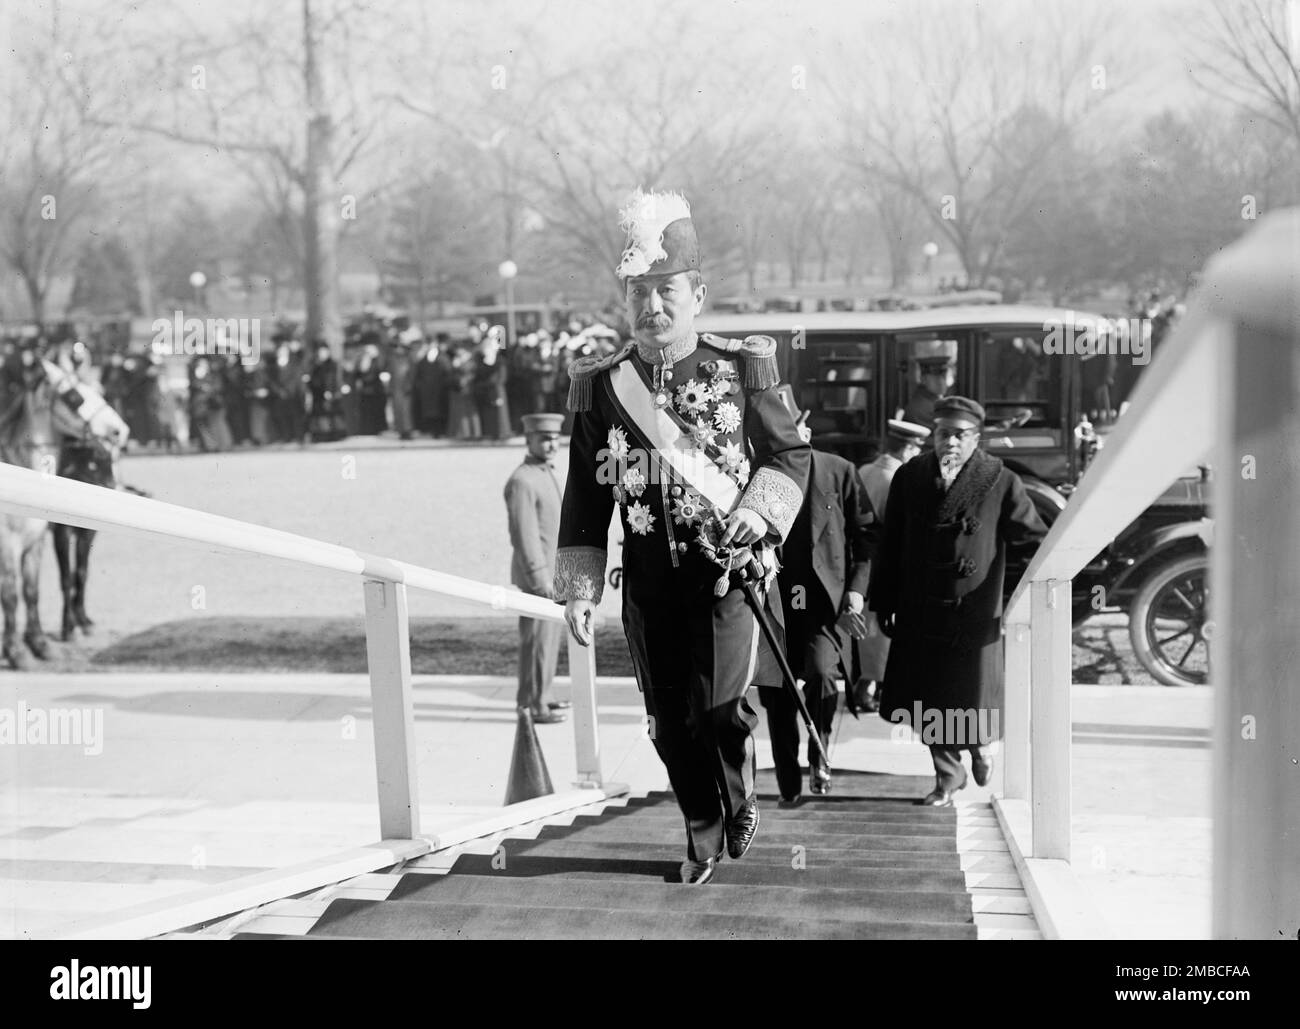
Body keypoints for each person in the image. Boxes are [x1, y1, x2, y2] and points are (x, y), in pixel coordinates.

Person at [554, 188, 810, 885]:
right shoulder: (599, 388)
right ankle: (701, 828)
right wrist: (580, 588)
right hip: (648, 586)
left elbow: (790, 456)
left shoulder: (741, 368)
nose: (651, 306)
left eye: (665, 290)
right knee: (670, 722)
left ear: (697, 293)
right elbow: (585, 493)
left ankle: (738, 796)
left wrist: (760, 511)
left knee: (722, 710)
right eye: (638, 292)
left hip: (726, 578)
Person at [868, 396, 1046, 806]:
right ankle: (947, 777)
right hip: (921, 608)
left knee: (973, 696)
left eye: (959, 435)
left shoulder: (1001, 480)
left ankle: (981, 747)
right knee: (928, 696)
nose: (950, 443)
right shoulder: (910, 476)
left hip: (974, 612)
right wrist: (885, 600)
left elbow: (1031, 541)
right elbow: (890, 542)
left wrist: (1007, 595)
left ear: (976, 438)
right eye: (943, 433)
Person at [758, 406, 871, 804]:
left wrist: (856, 592)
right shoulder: (759, 473)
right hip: (773, 605)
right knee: (777, 692)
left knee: (823, 674)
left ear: (805, 428)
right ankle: (788, 776)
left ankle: (819, 754)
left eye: (795, 428)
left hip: (824, 605)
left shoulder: (839, 471)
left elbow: (866, 539)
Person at [853, 418, 930, 713]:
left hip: (860, 560)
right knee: (882, 634)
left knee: (867, 629)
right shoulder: (899, 476)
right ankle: (870, 689)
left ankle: (867, 684)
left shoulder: (866, 469)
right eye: (916, 448)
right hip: (885, 560)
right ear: (908, 447)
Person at [505, 412, 570, 725]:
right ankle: (532, 705)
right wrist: (540, 578)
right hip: (539, 577)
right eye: (544, 438)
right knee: (536, 642)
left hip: (552, 575)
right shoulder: (523, 480)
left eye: (555, 438)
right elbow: (525, 536)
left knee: (547, 641)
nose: (551, 444)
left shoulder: (543, 474)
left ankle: (542, 695)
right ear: (528, 439)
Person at [900, 355, 954, 429]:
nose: (941, 382)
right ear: (923, 380)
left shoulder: (936, 400)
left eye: (943, 377)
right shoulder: (920, 408)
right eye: (935, 378)